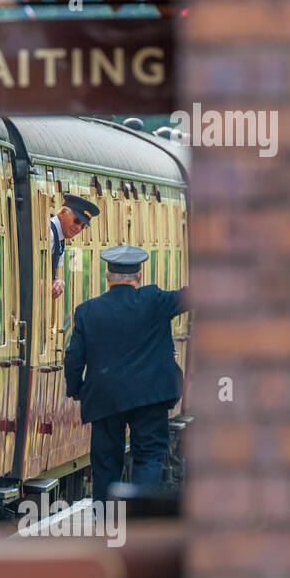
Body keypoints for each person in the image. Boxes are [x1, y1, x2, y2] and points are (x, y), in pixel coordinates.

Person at [63, 244, 190, 500]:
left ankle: (106, 523)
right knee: (149, 456)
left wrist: (76, 389)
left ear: (107, 277)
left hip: (105, 398)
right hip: (150, 396)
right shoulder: (155, 300)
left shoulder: (87, 311)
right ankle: (140, 518)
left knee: (106, 463)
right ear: (139, 277)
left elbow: (74, 358)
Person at [50, 193, 100, 299]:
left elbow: (54, 276)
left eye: (83, 226)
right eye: (76, 221)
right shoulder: (49, 234)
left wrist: (58, 282)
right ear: (63, 213)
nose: (78, 228)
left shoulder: (60, 239)